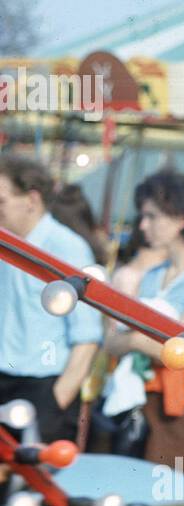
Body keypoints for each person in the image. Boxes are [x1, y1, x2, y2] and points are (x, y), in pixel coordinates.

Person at [104, 170, 184, 472]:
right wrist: (139, 342)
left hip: (180, 405)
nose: (143, 225)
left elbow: (182, 348)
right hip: (134, 400)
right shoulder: (151, 275)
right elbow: (110, 340)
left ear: (179, 219)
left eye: (151, 216)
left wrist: (133, 340)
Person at [0, 155, 103, 444]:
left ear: (31, 199)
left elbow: (87, 337)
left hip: (42, 390)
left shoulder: (66, 248)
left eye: (1, 202)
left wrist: (54, 404)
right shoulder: (7, 245)